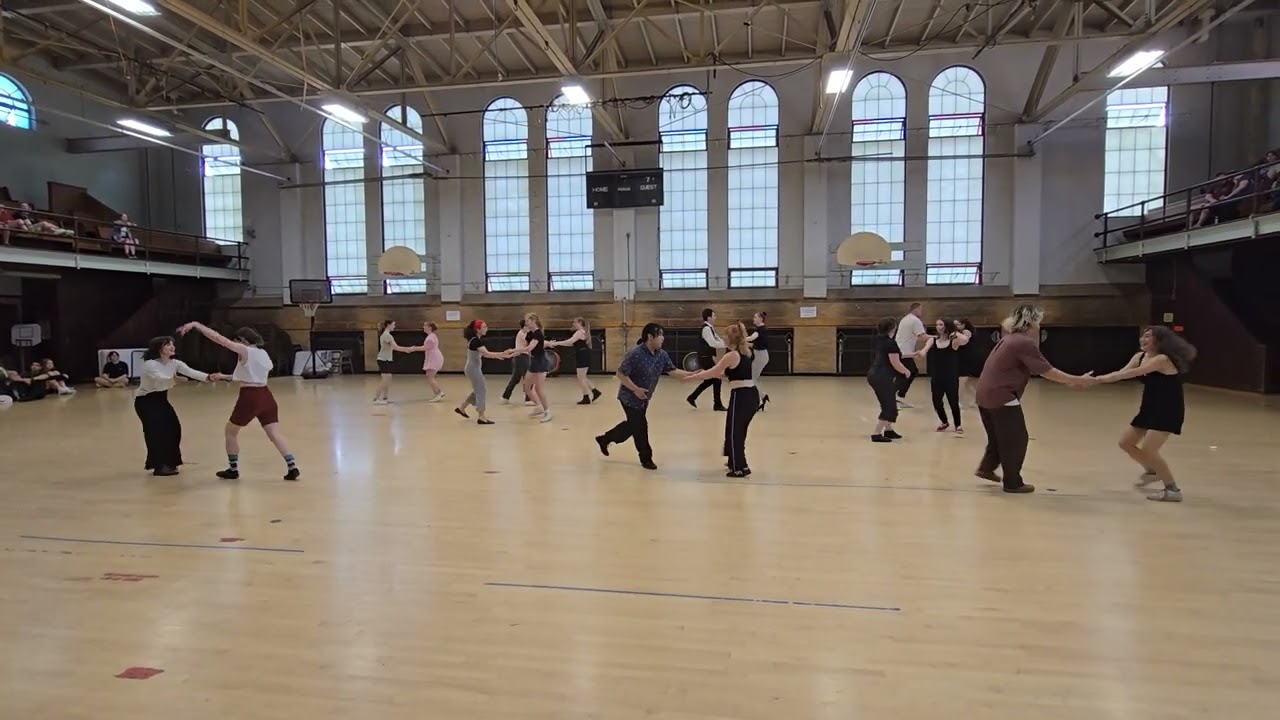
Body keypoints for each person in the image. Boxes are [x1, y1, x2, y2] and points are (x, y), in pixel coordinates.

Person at [973, 304, 1094, 494]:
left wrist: (1070, 383)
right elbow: (1046, 371)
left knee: (998, 437)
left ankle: (986, 468)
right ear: (1033, 322)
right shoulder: (1023, 342)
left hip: (984, 394)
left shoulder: (1009, 339)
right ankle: (1013, 483)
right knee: (1016, 440)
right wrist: (1077, 380)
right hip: (1001, 395)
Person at [177, 321, 300, 481]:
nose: (234, 344)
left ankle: (233, 469)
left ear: (243, 340)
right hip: (266, 395)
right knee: (274, 433)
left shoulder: (244, 350)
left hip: (250, 396)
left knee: (230, 432)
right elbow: (250, 375)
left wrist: (196, 325)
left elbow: (219, 339)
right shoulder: (263, 353)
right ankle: (292, 466)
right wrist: (224, 376)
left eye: (236, 340)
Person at [1088, 326, 1196, 503]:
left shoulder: (1162, 359)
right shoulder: (1139, 356)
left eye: (1148, 337)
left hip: (1168, 408)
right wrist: (1093, 381)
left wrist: (1096, 380)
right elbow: (1122, 373)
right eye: (1142, 336)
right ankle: (1152, 468)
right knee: (1126, 443)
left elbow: (1133, 373)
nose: (1143, 340)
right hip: (1149, 407)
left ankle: (1172, 489)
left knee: (1149, 449)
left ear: (1159, 341)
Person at [595, 323, 692, 469]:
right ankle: (646, 458)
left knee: (632, 425)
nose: (663, 339)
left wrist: (694, 375)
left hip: (644, 399)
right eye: (660, 335)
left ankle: (605, 438)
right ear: (650, 337)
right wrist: (635, 389)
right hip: (629, 397)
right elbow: (621, 374)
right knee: (641, 427)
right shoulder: (636, 354)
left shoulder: (662, 355)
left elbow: (673, 371)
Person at [133, 335, 228, 476]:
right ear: (159, 348)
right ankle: (159, 465)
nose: (173, 347)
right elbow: (160, 381)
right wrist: (174, 380)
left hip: (161, 399)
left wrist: (209, 377)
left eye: (173, 344)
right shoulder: (150, 364)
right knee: (155, 432)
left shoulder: (175, 363)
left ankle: (171, 462)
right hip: (145, 401)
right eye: (168, 345)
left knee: (173, 428)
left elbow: (191, 372)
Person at [684, 322, 759, 477]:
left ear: (731, 338)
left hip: (742, 395)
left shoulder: (731, 355)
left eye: (726, 335)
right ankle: (738, 463)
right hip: (750, 394)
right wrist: (702, 372)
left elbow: (714, 372)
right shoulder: (745, 352)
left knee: (734, 432)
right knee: (738, 430)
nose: (723, 337)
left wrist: (693, 377)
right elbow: (729, 374)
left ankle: (738, 467)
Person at [453, 320, 512, 425]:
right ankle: (481, 416)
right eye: (484, 327)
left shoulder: (474, 340)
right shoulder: (476, 341)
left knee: (477, 390)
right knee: (481, 391)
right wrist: (501, 354)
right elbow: (486, 354)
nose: (486, 329)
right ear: (478, 329)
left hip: (472, 368)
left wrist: (500, 355)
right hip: (473, 369)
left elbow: (486, 354)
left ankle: (462, 407)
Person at [868, 317, 912, 443]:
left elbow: (894, 354)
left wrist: (912, 354)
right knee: (890, 406)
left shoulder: (879, 339)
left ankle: (888, 430)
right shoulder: (890, 343)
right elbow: (895, 362)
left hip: (875, 374)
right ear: (893, 328)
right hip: (882, 376)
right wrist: (906, 371)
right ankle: (876, 434)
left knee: (887, 400)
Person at [919, 319, 966, 434]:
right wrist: (920, 353)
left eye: (941, 324)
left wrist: (954, 332)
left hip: (950, 377)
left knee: (953, 401)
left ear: (946, 326)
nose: (938, 327)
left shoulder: (953, 342)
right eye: (937, 325)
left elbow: (965, 340)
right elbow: (924, 350)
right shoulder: (932, 341)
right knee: (936, 401)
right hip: (936, 377)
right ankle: (944, 422)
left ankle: (958, 425)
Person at [547, 317, 602, 405]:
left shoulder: (579, 332)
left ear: (580, 323)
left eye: (575, 322)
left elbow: (570, 341)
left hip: (582, 355)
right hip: (582, 354)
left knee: (581, 377)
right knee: (582, 377)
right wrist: (556, 343)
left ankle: (586, 397)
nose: (573, 324)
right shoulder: (581, 332)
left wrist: (555, 343)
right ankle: (595, 391)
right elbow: (570, 343)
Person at [686, 308, 727, 411]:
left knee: (710, 380)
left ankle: (692, 397)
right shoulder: (706, 329)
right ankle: (717, 404)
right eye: (714, 315)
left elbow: (718, 339)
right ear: (709, 318)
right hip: (704, 357)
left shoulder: (710, 328)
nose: (715, 317)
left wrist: (724, 343)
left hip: (707, 356)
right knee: (717, 378)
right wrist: (726, 345)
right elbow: (712, 343)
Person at [518, 313, 553, 422]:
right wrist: (510, 354)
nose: (526, 322)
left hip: (540, 362)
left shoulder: (538, 334)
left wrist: (513, 350)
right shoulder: (530, 334)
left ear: (533, 321)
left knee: (539, 389)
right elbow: (525, 348)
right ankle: (539, 407)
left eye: (527, 320)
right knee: (526, 386)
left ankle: (547, 411)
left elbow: (529, 348)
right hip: (533, 361)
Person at [894, 302, 928, 407]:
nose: (921, 312)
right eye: (920, 309)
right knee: (906, 373)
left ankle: (899, 396)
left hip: (902, 351)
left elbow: (915, 336)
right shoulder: (915, 320)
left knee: (910, 372)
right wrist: (939, 338)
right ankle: (893, 398)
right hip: (904, 352)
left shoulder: (905, 319)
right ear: (916, 309)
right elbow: (923, 337)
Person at [373, 320, 412, 404]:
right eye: (393, 325)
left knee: (388, 378)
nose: (394, 326)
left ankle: (385, 398)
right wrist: (406, 349)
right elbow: (395, 347)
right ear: (388, 325)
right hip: (383, 360)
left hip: (387, 359)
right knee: (385, 380)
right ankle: (376, 398)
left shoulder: (387, 335)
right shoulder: (387, 335)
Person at [501, 318, 532, 405]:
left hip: (521, 358)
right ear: (524, 326)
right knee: (527, 378)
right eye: (528, 326)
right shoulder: (522, 334)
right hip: (522, 358)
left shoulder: (522, 334)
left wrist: (510, 355)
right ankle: (528, 399)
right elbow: (525, 347)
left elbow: (519, 350)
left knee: (515, 379)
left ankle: (505, 397)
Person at [954, 318, 983, 407]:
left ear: (964, 324)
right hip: (960, 357)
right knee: (966, 382)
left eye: (958, 324)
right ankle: (978, 399)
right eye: (955, 324)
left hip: (965, 358)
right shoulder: (957, 332)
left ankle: (958, 401)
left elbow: (962, 342)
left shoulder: (966, 332)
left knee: (962, 380)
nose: (956, 326)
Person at [746, 311, 771, 411]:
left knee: (752, 378)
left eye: (755, 317)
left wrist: (739, 339)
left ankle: (760, 400)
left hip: (761, 356)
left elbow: (751, 338)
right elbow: (754, 344)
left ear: (761, 318)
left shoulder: (760, 329)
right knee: (754, 378)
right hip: (761, 355)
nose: (753, 319)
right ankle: (762, 396)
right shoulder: (762, 329)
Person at [418, 321, 445, 402]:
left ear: (430, 327)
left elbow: (426, 347)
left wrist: (413, 348)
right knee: (429, 376)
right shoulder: (431, 336)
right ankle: (439, 392)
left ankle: (438, 394)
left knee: (430, 377)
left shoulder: (430, 337)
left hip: (434, 358)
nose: (423, 327)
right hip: (433, 356)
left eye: (425, 326)